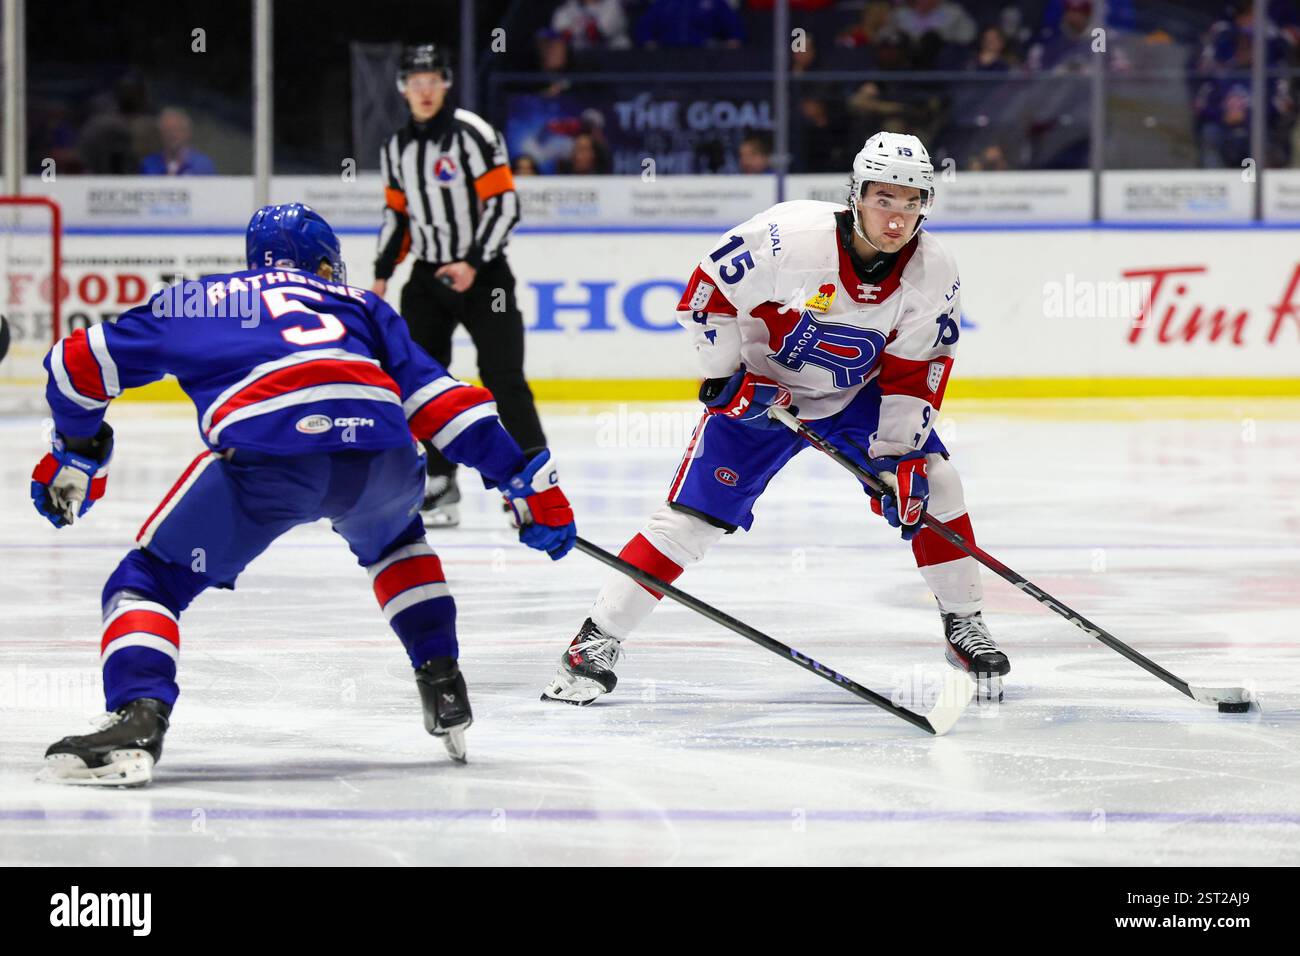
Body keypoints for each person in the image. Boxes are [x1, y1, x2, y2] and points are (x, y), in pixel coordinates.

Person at [32, 203, 577, 786]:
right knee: (396, 542)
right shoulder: (362, 305)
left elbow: (74, 365)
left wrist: (81, 450)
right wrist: (520, 479)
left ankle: (138, 717)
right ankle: (442, 681)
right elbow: (444, 404)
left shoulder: (206, 298)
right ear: (324, 264)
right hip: (385, 457)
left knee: (148, 580)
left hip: (273, 455)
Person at [540, 132, 1008, 706]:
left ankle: (964, 624)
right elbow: (705, 295)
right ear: (857, 194)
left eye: (913, 202)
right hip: (764, 396)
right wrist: (727, 378)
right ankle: (594, 640)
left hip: (853, 396)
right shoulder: (792, 236)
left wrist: (901, 454)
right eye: (885, 198)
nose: (897, 218)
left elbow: (916, 372)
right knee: (688, 522)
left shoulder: (933, 270)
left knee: (935, 484)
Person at [372, 44, 547, 526]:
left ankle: (534, 485)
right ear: (403, 89)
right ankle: (441, 481)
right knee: (423, 383)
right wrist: (382, 274)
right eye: (415, 82)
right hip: (428, 279)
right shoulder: (396, 149)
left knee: (504, 378)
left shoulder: (473, 133)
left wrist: (471, 262)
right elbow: (398, 217)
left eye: (432, 80)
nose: (424, 91)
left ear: (446, 83)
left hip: (484, 274)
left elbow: (504, 206)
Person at [139, 107, 216, 176]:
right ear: (160, 133)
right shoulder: (149, 164)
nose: (172, 135)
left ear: (187, 132)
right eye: (167, 130)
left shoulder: (202, 165)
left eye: (176, 129)